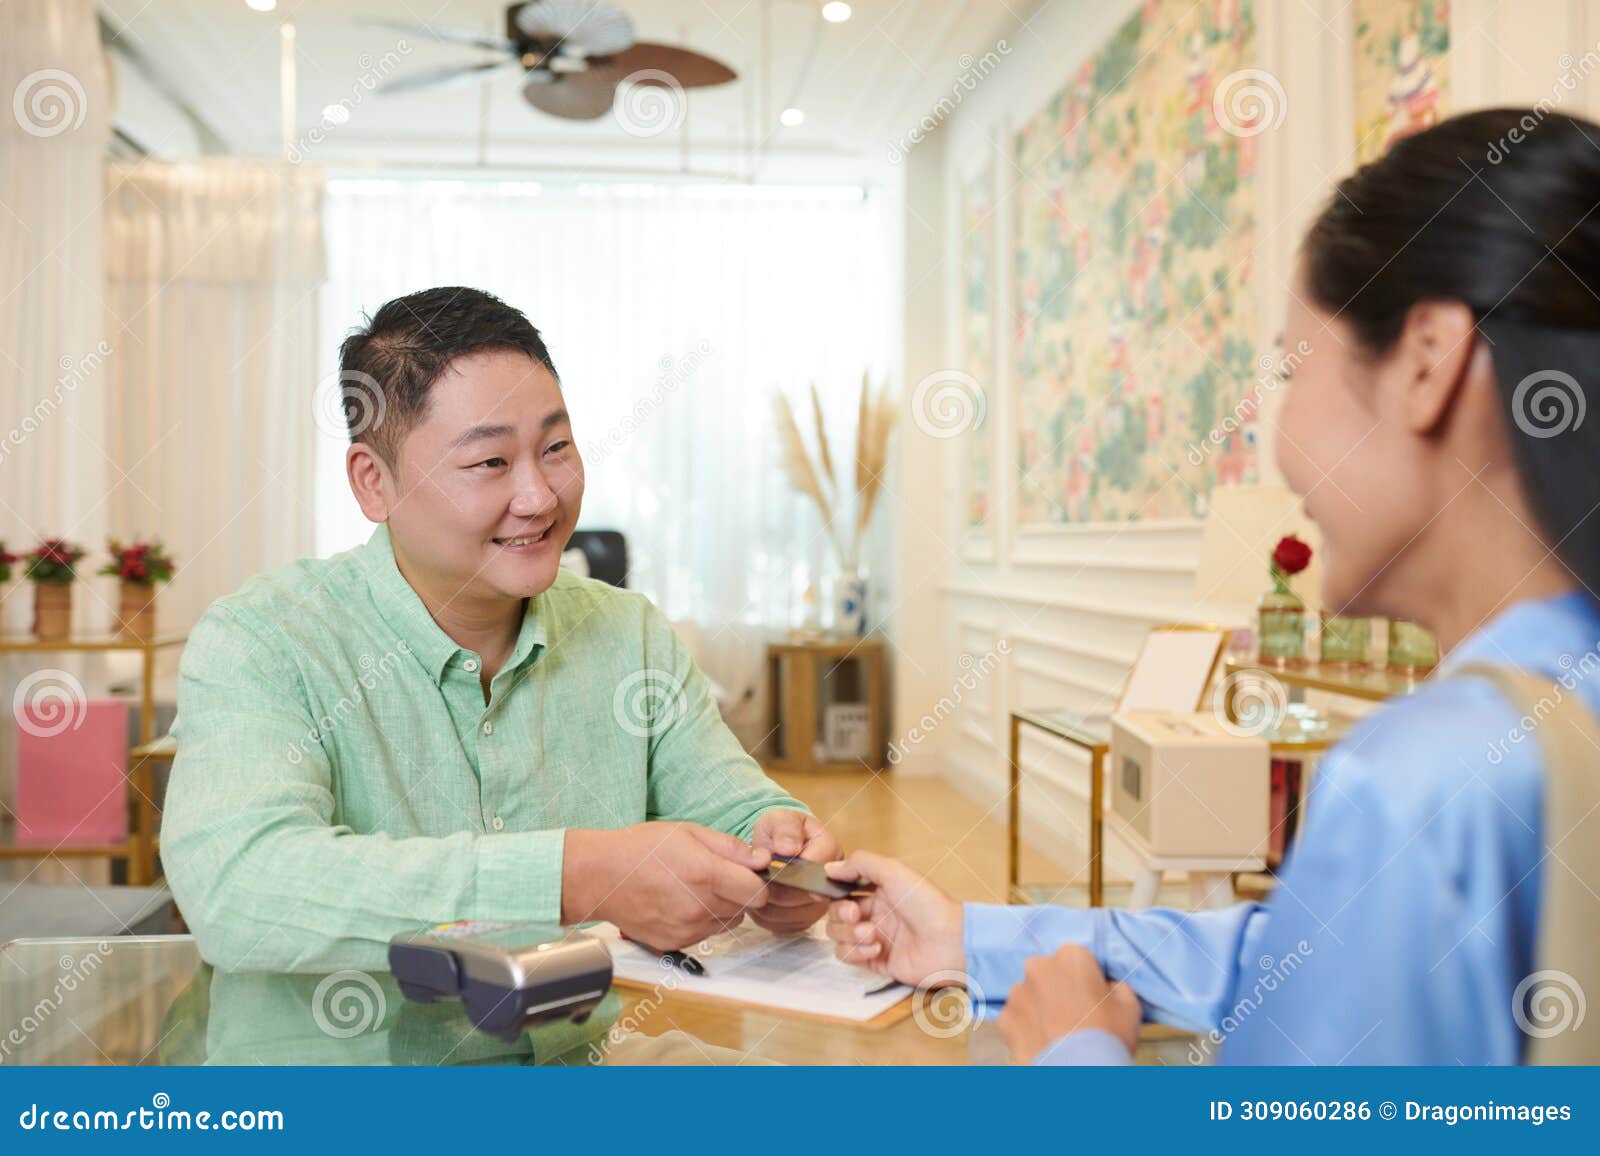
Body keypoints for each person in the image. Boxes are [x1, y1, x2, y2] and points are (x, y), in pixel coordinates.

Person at [825, 107, 1600, 1065]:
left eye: (1290, 368)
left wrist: (1072, 1059)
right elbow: (1297, 962)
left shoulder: (1421, 781)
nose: (1280, 437)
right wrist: (969, 938)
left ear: (1428, 364)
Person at [164, 287, 837, 992]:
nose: (541, 497)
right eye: (490, 463)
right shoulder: (263, 641)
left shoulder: (628, 633)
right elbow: (239, 887)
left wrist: (781, 851)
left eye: (556, 449)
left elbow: (729, 806)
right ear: (373, 482)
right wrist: (573, 877)